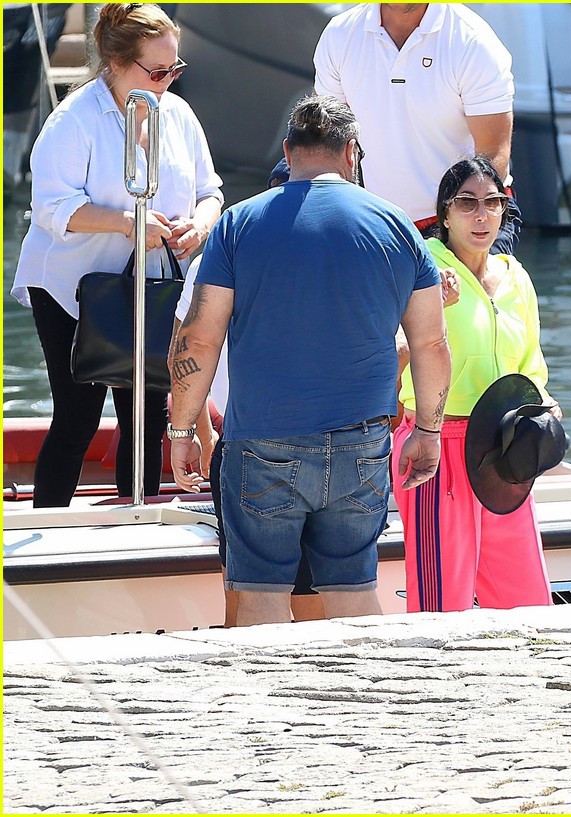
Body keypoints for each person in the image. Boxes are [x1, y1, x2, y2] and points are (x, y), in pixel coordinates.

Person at [168, 95, 451, 627]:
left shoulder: (237, 225)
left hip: (262, 442)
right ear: (350, 153)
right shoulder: (396, 226)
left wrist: (182, 428)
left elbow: (198, 341)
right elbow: (431, 344)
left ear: (287, 152)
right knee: (354, 589)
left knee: (259, 595)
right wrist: (429, 431)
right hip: (363, 442)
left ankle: (268, 705)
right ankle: (369, 699)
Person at [10, 3, 222, 507]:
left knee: (146, 413)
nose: (169, 79)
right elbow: (51, 208)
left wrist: (202, 223)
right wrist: (129, 223)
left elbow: (209, 190)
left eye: (176, 68)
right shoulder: (73, 120)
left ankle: (138, 520)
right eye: (158, 70)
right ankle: (49, 524)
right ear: (117, 62)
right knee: (78, 413)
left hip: (148, 287)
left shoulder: (179, 114)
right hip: (68, 285)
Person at [393, 157, 556, 612]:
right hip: (435, 442)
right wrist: (431, 310)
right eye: (467, 203)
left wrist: (543, 405)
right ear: (444, 213)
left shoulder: (515, 277)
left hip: (505, 446)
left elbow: (531, 362)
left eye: (492, 203)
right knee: (440, 601)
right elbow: (386, 351)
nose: (481, 215)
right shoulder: (421, 265)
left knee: (527, 602)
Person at [168, 159, 324, 628]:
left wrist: (189, 431)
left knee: (248, 588)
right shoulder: (342, 255)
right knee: (308, 589)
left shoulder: (219, 255)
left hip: (244, 439)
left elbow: (187, 351)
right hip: (321, 439)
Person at [312, 3, 522, 254]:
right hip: (376, 224)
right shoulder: (339, 35)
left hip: (466, 221)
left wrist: (453, 241)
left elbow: (493, 156)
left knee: (468, 294)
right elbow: (327, 144)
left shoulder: (474, 42)